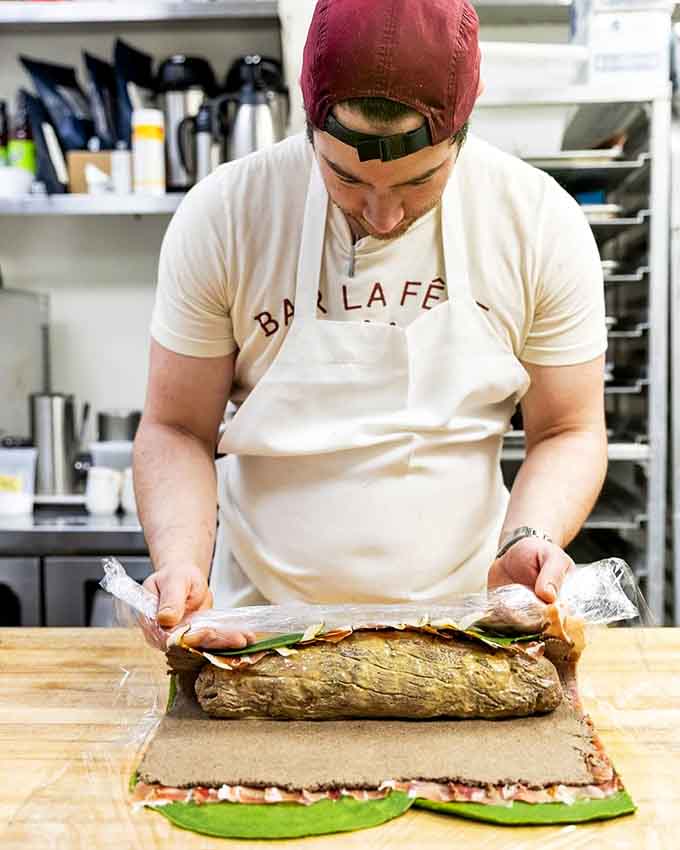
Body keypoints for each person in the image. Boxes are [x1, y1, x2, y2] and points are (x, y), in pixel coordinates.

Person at [134, 0, 607, 648]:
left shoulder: (537, 224)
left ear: (464, 131)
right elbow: (176, 427)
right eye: (345, 176)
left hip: (469, 633)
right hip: (258, 633)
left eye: (420, 180)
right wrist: (180, 562)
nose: (382, 215)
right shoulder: (226, 216)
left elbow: (569, 429)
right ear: (308, 125)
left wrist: (530, 537)